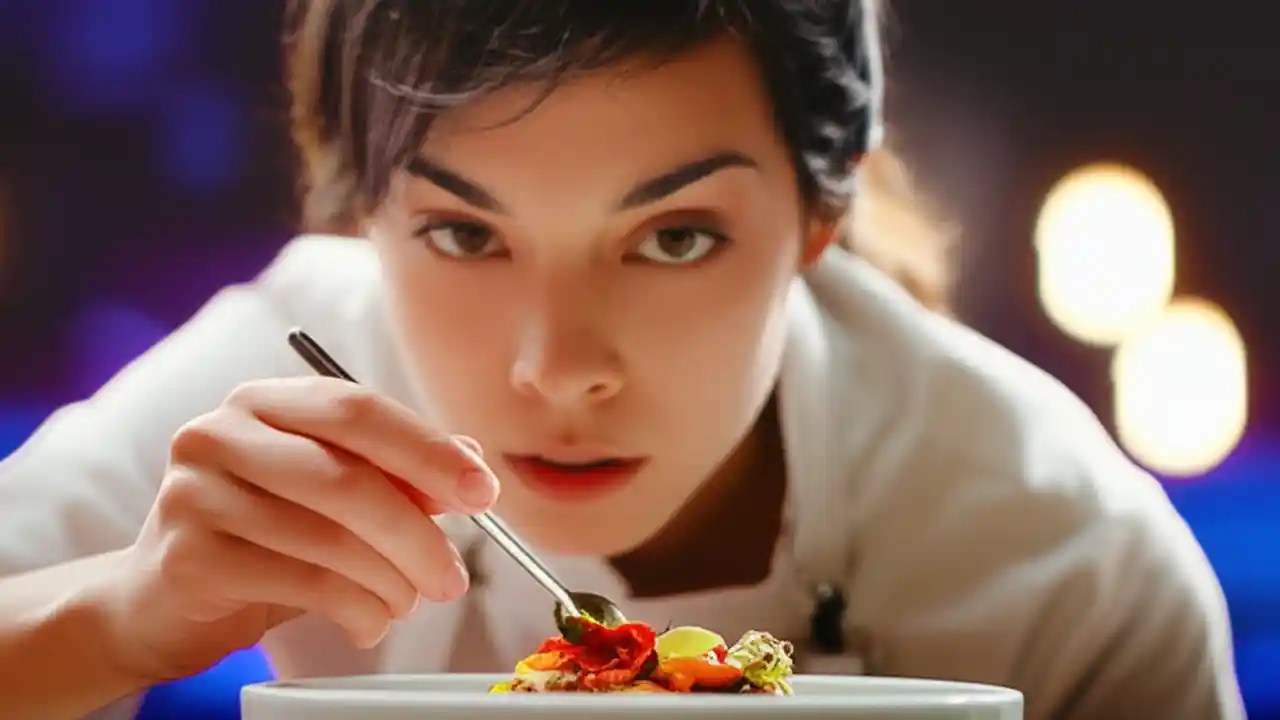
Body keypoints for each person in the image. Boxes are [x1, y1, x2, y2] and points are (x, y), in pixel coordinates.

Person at [0, 1, 1244, 718]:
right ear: (362, 215)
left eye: (674, 237)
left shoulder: (1071, 566)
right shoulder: (300, 379)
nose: (557, 370)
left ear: (821, 215)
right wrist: (123, 616)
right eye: (463, 233)